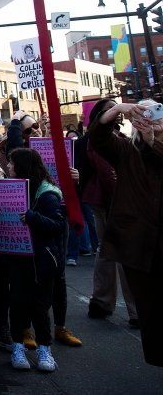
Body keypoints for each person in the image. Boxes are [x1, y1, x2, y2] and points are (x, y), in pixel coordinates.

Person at [87, 99, 163, 366]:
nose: (150, 116)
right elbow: (96, 137)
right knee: (153, 316)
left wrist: (153, 141)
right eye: (142, 111)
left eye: (156, 111)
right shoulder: (127, 151)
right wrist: (116, 110)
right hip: (140, 246)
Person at [1, 148, 66, 373]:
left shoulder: (47, 195)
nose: (8, 167)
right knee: (18, 303)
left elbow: (58, 226)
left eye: (11, 164)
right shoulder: (12, 189)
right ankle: (18, 347)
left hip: (41, 261)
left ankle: (44, 349)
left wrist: (32, 217)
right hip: (18, 257)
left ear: (23, 167)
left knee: (39, 306)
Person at [77, 99, 139, 326]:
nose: (118, 113)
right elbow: (107, 174)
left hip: (103, 201)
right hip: (109, 202)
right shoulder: (101, 140)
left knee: (105, 249)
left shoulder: (116, 138)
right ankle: (135, 310)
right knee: (124, 252)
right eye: (111, 109)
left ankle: (102, 301)